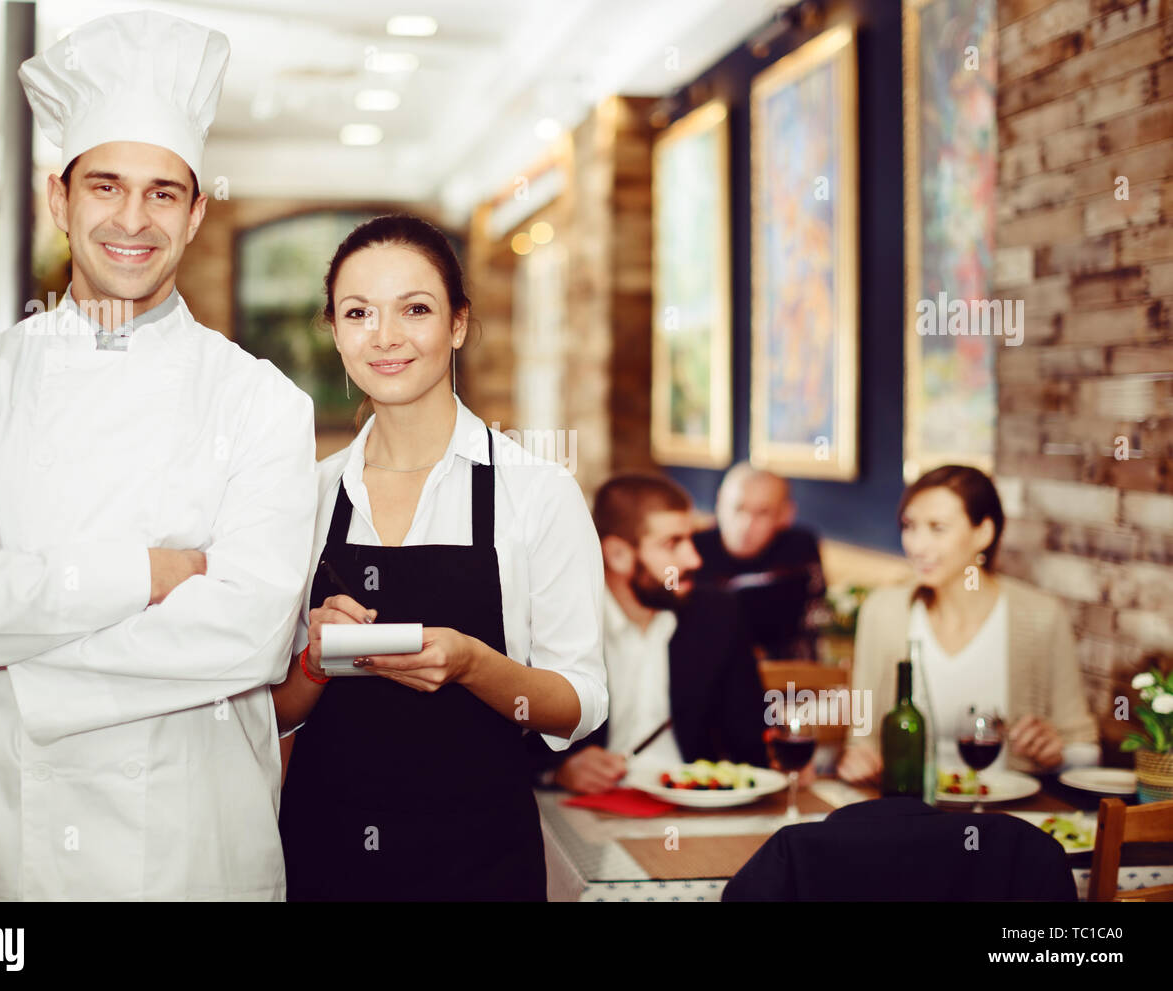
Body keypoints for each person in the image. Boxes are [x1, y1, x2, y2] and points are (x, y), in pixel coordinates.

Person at [0, 11, 316, 900]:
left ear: (196, 213)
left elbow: (252, 634)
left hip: (192, 845)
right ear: (60, 199)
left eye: (163, 192)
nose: (132, 218)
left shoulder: (263, 401)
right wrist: (149, 572)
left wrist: (14, 653)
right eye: (106, 185)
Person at [271, 214, 607, 901]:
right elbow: (268, 713)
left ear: (457, 323)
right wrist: (314, 659)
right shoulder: (301, 499)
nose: (385, 336)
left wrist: (474, 663)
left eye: (414, 309)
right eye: (358, 312)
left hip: (480, 862)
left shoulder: (536, 493)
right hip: (324, 857)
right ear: (334, 330)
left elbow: (580, 703)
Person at [838, 465, 1098, 786]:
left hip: (1006, 816)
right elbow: (861, 732)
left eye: (937, 528)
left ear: (983, 534)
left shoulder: (1041, 616)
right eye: (910, 526)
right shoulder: (883, 611)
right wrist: (860, 754)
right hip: (909, 811)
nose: (917, 546)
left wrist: (1056, 751)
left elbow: (1085, 751)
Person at [528, 473, 769, 795]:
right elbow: (502, 740)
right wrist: (559, 770)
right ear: (617, 555)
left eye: (691, 539)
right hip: (581, 809)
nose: (694, 559)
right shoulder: (555, 622)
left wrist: (779, 762)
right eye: (672, 544)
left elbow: (749, 738)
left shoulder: (718, 613)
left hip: (696, 808)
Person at [693, 463, 825, 660]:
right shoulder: (692, 550)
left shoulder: (799, 548)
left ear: (786, 514)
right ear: (719, 504)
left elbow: (814, 619)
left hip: (782, 676)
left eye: (762, 512)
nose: (746, 524)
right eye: (738, 508)